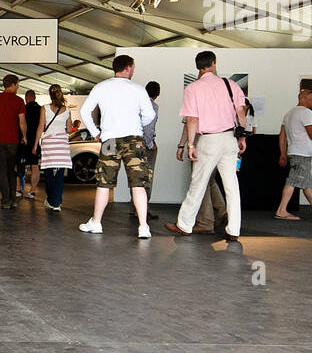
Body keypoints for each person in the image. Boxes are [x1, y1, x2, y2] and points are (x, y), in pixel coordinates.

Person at [166, 51, 246, 241]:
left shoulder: (193, 88)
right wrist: (242, 137)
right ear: (213, 63)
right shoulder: (230, 84)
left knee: (198, 183)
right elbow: (240, 112)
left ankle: (185, 225)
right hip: (229, 138)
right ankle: (233, 229)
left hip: (209, 140)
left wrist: (190, 144)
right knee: (231, 186)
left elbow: (192, 119)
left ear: (198, 67)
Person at [78, 55, 156, 238]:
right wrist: (136, 124)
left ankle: (96, 223)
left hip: (110, 141)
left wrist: (95, 131)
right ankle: (143, 227)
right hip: (134, 140)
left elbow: (84, 111)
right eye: (133, 67)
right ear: (128, 68)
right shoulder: (138, 89)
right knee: (138, 184)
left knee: (104, 183)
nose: (133, 70)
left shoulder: (101, 87)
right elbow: (149, 115)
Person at [276, 86, 312, 220]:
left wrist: (283, 154)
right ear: (303, 98)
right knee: (292, 181)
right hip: (301, 153)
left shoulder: (289, 114)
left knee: (306, 183)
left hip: (296, 152)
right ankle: (281, 210)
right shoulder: (306, 113)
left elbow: (282, 136)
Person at [0, 74, 28, 210]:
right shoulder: (19, 101)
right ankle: (13, 199)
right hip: (13, 141)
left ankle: (6, 200)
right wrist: (24, 136)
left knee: (1, 171)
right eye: (17, 85)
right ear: (12, 85)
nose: (18, 87)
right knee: (11, 170)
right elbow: (22, 121)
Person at [175, 120, 227, 233]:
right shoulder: (222, 102)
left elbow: (190, 123)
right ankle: (223, 211)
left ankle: (205, 222)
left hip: (201, 141)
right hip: (221, 142)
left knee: (201, 181)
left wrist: (182, 145)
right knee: (210, 180)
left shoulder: (197, 102)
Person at [38, 84, 75, 212]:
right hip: (62, 144)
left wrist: (35, 143)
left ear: (50, 95)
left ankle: (51, 199)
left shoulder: (44, 109)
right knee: (59, 174)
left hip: (49, 144)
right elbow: (70, 130)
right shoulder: (67, 110)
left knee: (48, 173)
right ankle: (57, 202)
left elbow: (41, 127)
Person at [130, 82, 160, 221]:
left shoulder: (136, 104)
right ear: (157, 94)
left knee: (135, 176)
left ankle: (135, 207)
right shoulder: (153, 106)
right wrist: (150, 144)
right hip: (145, 145)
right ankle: (143, 209)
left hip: (133, 144)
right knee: (147, 177)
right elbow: (149, 128)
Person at [15, 89, 42, 200]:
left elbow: (20, 124)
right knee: (35, 166)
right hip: (35, 141)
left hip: (23, 141)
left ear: (26, 98)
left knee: (18, 165)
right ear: (34, 97)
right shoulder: (41, 109)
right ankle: (32, 191)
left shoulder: (23, 109)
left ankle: (18, 189)